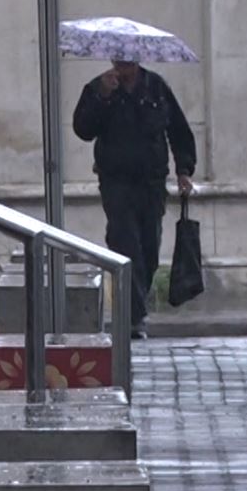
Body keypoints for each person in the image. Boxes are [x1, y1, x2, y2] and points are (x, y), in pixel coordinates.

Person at [73, 59, 196, 339]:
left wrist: (184, 170)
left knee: (149, 247)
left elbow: (178, 131)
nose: (123, 68)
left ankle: (134, 305)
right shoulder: (98, 88)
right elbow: (82, 129)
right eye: (119, 61)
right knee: (124, 241)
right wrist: (101, 97)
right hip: (116, 183)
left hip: (151, 183)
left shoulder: (156, 88)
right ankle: (133, 316)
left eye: (128, 62)